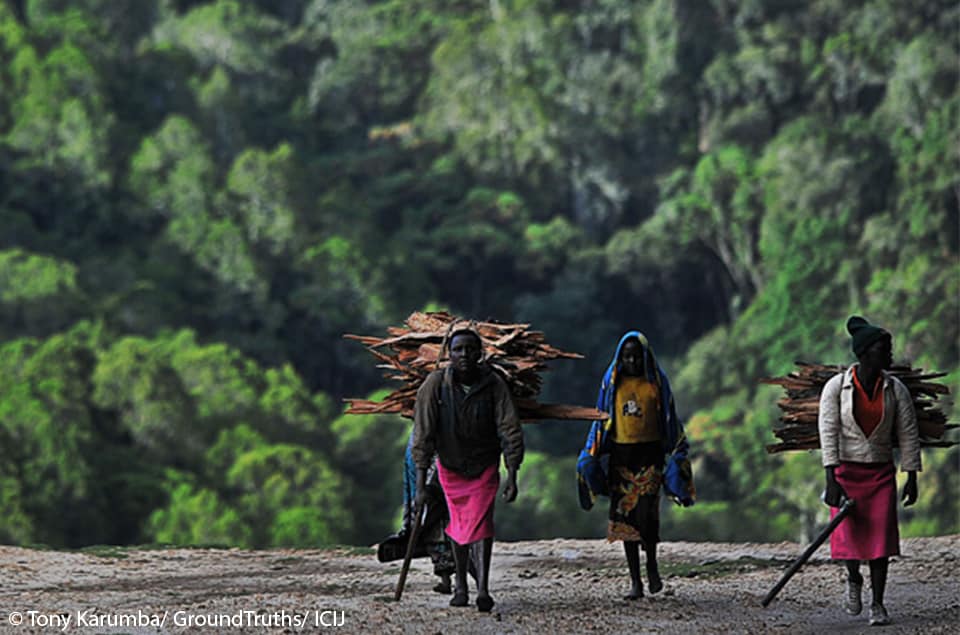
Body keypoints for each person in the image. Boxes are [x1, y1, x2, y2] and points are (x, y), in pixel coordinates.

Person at [410, 325, 524, 612]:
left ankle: (483, 588)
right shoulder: (436, 385)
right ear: (449, 354)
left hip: (485, 465)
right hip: (451, 466)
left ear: (481, 354)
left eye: (470, 349)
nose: (464, 354)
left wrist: (512, 474)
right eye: (458, 349)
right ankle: (461, 586)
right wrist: (421, 485)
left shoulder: (494, 384)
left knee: (482, 526)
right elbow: (422, 434)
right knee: (459, 527)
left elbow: (509, 429)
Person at [818, 316, 920, 626]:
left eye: (888, 348)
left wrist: (911, 475)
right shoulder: (836, 388)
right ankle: (853, 579)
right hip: (846, 472)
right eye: (882, 349)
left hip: (880, 474)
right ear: (863, 354)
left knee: (881, 541)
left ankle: (878, 604)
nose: (889, 355)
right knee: (849, 538)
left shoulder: (895, 389)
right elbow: (828, 431)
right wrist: (831, 477)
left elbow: (908, 432)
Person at [577, 332, 695, 600]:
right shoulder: (612, 384)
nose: (632, 360)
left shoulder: (656, 384)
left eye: (636, 355)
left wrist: (676, 455)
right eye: (627, 356)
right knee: (625, 519)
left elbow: (669, 418)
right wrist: (589, 455)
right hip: (622, 460)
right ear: (621, 357)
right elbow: (601, 419)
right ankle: (635, 582)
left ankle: (652, 565)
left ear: (645, 356)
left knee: (648, 516)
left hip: (650, 457)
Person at [376, 435, 454, 594]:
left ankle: (457, 582)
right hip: (429, 490)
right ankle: (452, 581)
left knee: (442, 530)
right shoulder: (416, 442)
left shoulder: (418, 441)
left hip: (434, 485)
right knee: (439, 532)